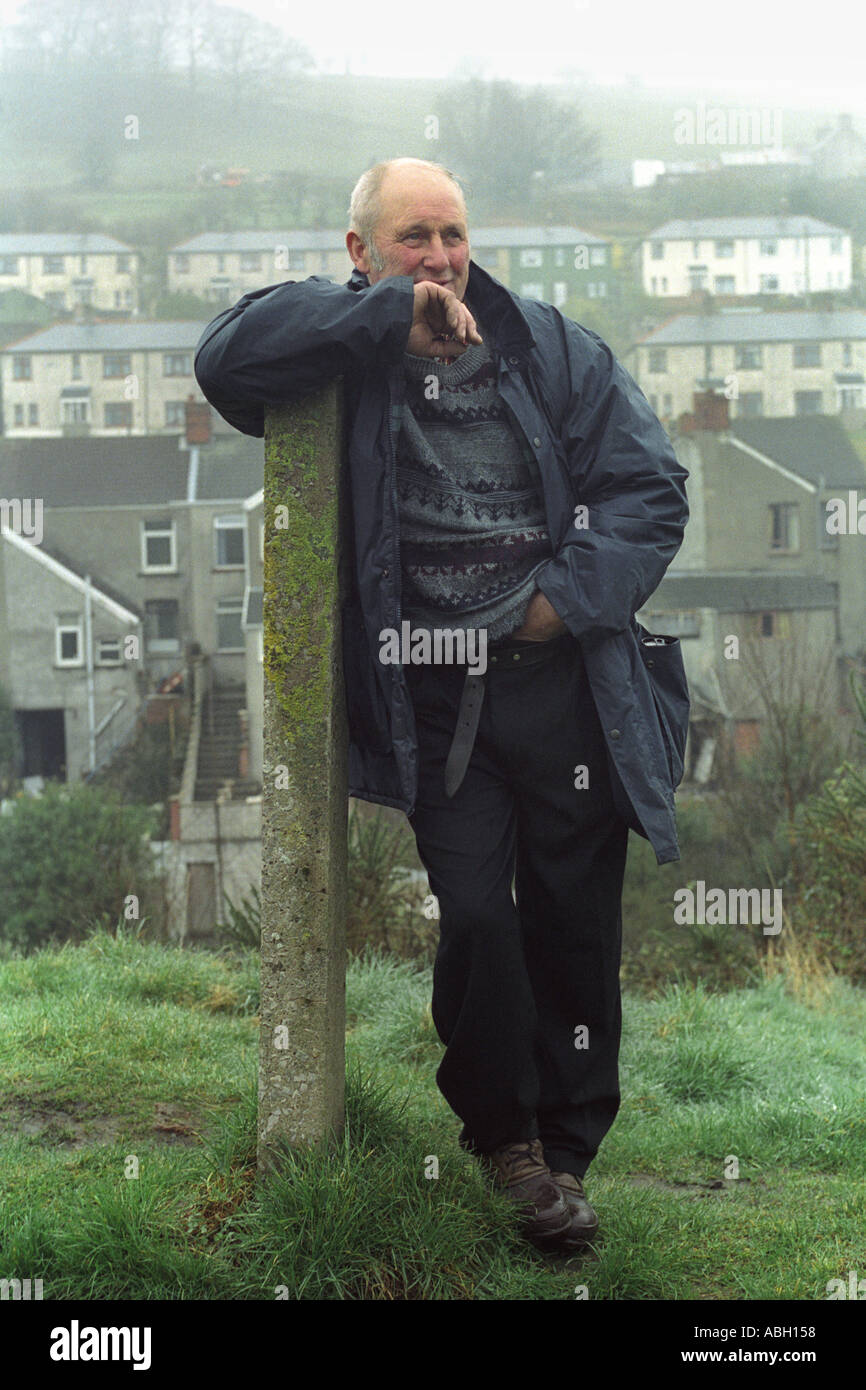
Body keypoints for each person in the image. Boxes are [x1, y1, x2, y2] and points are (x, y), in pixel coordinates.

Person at [194, 156, 690, 1254]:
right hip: (436, 699)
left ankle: (563, 1151)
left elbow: (649, 485)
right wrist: (381, 322)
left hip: (565, 692)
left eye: (452, 233)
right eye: (411, 237)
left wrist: (563, 603)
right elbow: (225, 358)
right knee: (473, 916)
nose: (438, 256)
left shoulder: (550, 347)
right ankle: (500, 1137)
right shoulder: (343, 348)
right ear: (360, 253)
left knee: (571, 921)